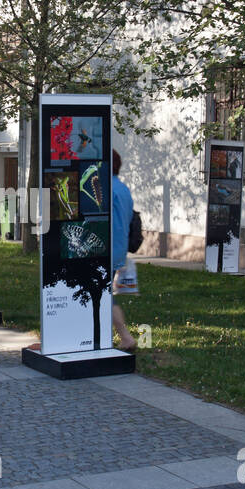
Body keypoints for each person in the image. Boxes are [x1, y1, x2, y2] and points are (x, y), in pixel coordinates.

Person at [111, 148, 137, 351]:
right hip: (119, 248)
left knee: (103, 295)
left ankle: (126, 337)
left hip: (104, 248)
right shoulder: (123, 189)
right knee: (103, 293)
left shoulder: (105, 189)